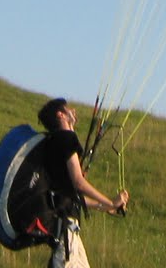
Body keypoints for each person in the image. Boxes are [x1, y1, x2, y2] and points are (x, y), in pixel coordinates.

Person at [35, 98, 130, 268]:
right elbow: (79, 183)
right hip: (65, 231)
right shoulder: (66, 139)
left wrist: (107, 207)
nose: (74, 111)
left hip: (67, 229)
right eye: (69, 109)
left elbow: (71, 197)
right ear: (60, 115)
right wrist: (110, 201)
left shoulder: (52, 142)